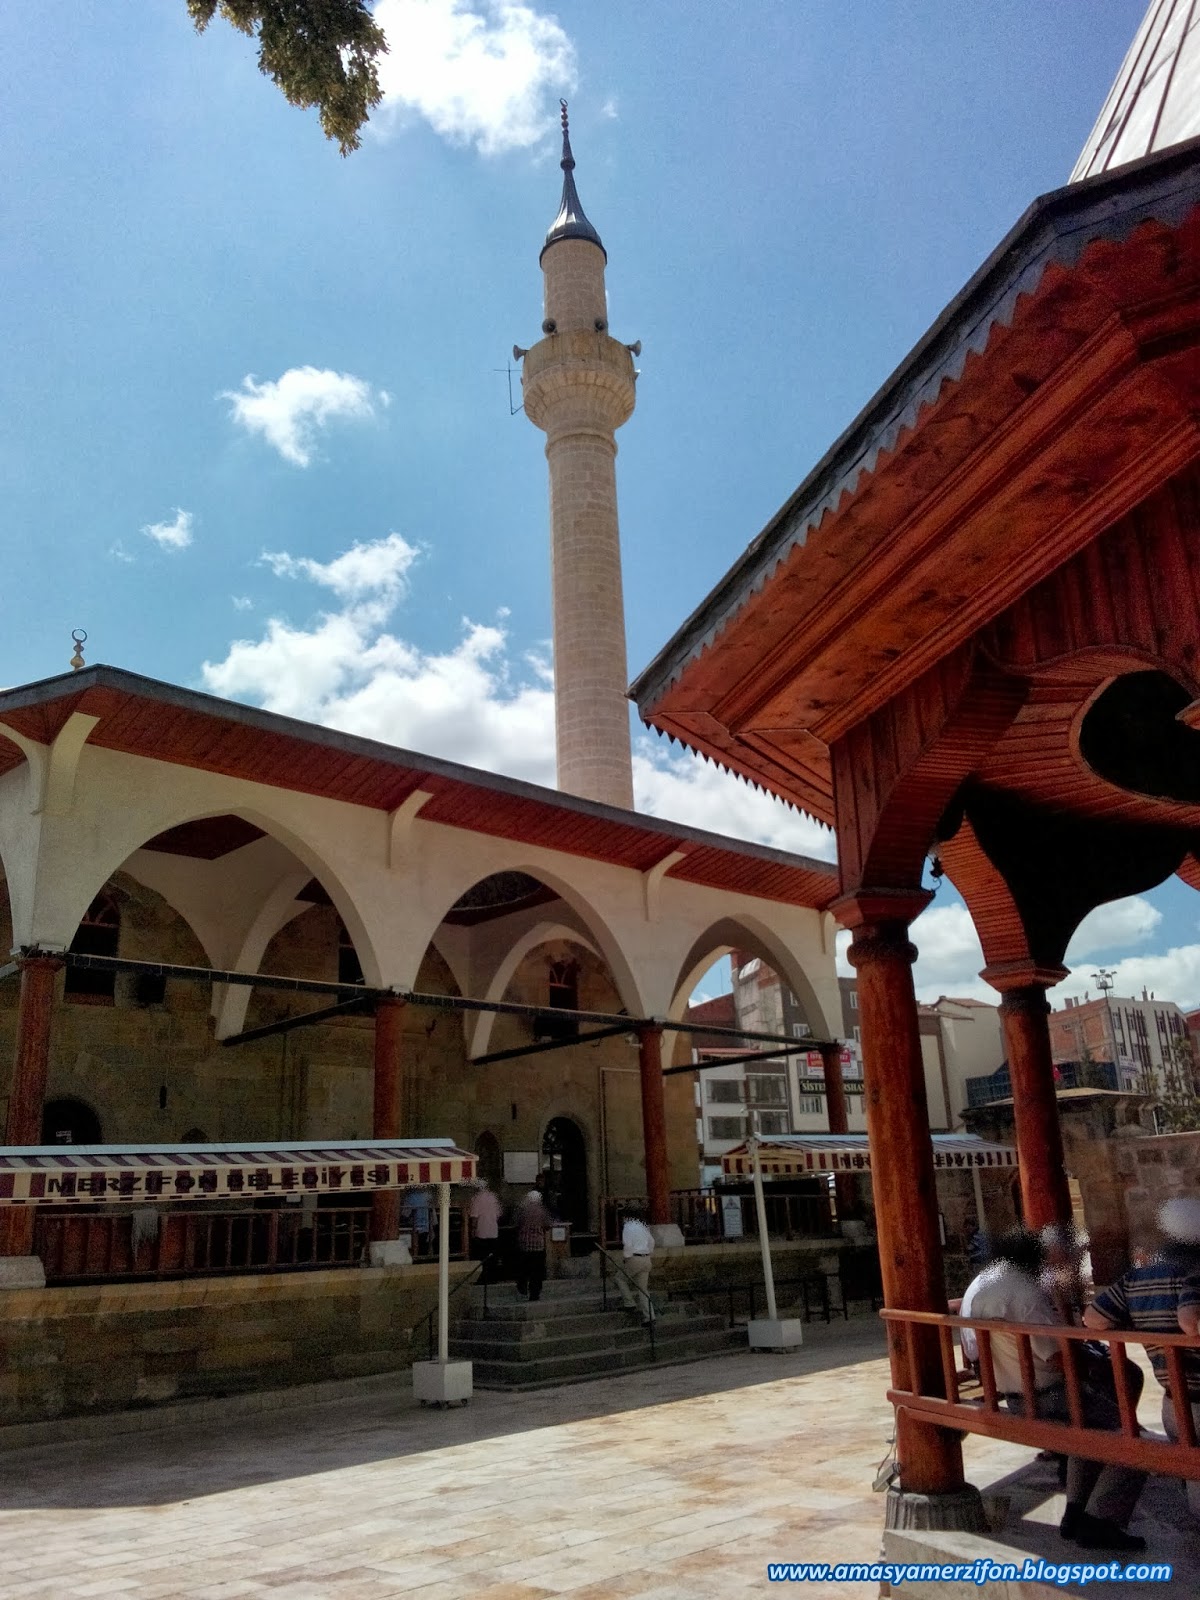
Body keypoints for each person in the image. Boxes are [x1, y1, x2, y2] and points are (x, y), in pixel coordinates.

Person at [964, 1227, 1147, 1552]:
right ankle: (1099, 1520)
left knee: (1089, 1422)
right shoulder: (1022, 1291)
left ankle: (1076, 1511)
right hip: (1042, 1397)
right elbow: (1058, 1359)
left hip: (1011, 1392)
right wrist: (1092, 1364)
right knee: (1131, 1437)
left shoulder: (985, 1284)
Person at [1084, 1196, 1200, 1520]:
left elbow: (1092, 1319)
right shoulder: (1194, 1272)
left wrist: (1135, 1322)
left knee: (1190, 1473)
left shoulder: (1137, 1278)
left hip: (1174, 1398)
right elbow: (1189, 1321)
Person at [514, 1185, 553, 1303]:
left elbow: (516, 1223)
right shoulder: (542, 1211)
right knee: (537, 1271)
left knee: (524, 1269)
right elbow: (547, 1225)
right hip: (538, 1245)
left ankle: (522, 1289)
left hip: (524, 1244)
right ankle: (534, 1294)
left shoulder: (522, 1210)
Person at [619, 1207, 656, 1324]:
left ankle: (629, 1302)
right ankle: (650, 1315)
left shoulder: (628, 1227)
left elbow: (628, 1244)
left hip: (635, 1257)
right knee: (643, 1289)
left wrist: (626, 1257)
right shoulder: (643, 1226)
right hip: (646, 1258)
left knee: (620, 1278)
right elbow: (652, 1242)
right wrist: (648, 1252)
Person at [467, 1179, 502, 1283]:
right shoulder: (493, 1197)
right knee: (492, 1256)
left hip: (481, 1231)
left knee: (481, 1257)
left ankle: (482, 1279)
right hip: (493, 1231)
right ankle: (493, 1278)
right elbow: (498, 1214)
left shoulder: (476, 1198)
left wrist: (472, 1230)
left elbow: (474, 1217)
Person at [400, 1187, 433, 1258]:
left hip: (414, 1228)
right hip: (426, 1227)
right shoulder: (426, 1195)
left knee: (413, 1250)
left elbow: (405, 1214)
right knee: (423, 1250)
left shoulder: (410, 1197)